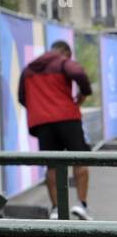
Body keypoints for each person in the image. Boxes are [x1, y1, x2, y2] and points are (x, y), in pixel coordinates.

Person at [18, 40, 93, 220]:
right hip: (68, 118)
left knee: (52, 165)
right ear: (66, 52)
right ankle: (82, 205)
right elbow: (79, 73)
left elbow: (22, 97)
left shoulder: (28, 69)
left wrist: (40, 108)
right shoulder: (63, 61)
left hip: (43, 123)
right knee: (80, 160)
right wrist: (84, 93)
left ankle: (56, 209)